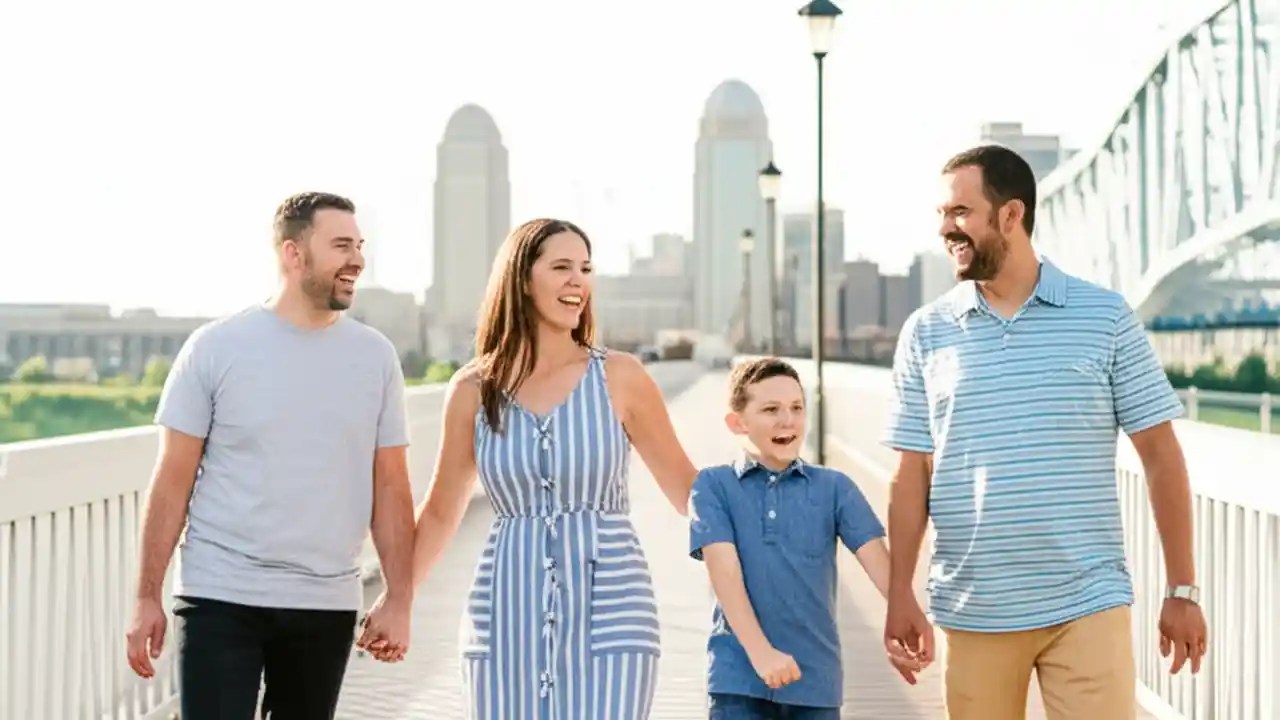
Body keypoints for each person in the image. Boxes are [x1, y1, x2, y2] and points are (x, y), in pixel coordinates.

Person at [880, 145, 1209, 719]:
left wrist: (1182, 588)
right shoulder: (926, 333)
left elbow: (1160, 455)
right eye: (941, 214)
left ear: (1011, 215)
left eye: (960, 212)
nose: (945, 229)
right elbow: (913, 474)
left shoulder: (1104, 317)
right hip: (974, 605)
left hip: (1088, 600)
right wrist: (899, 590)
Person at [377, 218, 697, 719]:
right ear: (523, 279)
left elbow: (687, 490)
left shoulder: (621, 378)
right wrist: (399, 599)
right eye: (562, 267)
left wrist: (768, 502)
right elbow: (441, 513)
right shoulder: (472, 391)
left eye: (586, 269)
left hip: (612, 612)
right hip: (504, 613)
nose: (578, 281)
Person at [124, 191, 416, 719]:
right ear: (293, 253)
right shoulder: (217, 348)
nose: (357, 260)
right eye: (341, 245)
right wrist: (146, 597)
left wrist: (400, 598)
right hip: (220, 594)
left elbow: (392, 486)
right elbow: (172, 481)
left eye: (360, 245)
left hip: (324, 601)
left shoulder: (375, 358)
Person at [687, 357, 926, 720]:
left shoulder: (835, 489)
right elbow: (724, 574)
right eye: (771, 409)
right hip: (737, 678)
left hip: (816, 682)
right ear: (737, 423)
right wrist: (761, 653)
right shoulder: (712, 486)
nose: (788, 420)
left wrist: (909, 622)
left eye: (796, 408)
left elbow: (881, 566)